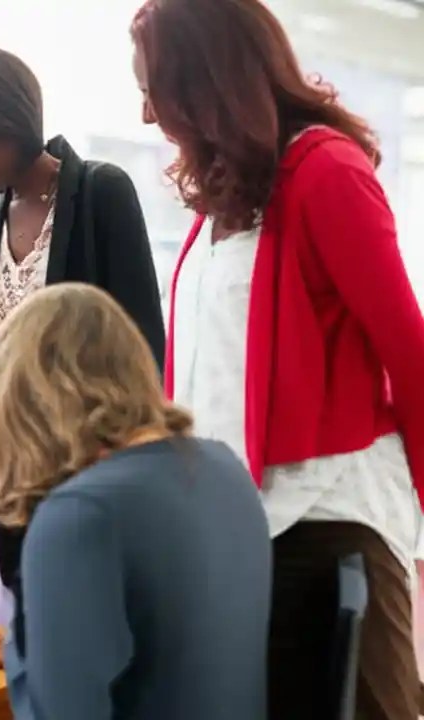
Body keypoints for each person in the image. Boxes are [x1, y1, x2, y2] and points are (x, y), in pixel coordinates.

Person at [132, 1, 424, 717]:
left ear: (208, 81)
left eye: (154, 90)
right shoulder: (223, 197)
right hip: (240, 530)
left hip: (333, 520)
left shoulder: (326, 172)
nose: (145, 115)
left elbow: (409, 353)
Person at [0, 283, 272, 720]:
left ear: (21, 396)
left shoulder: (81, 515)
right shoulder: (224, 471)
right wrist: (34, 647)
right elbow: (164, 646)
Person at [0, 46, 165, 624]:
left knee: (82, 617)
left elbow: (140, 334)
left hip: (89, 455)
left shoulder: (102, 191)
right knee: (16, 630)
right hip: (12, 458)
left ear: (13, 117)